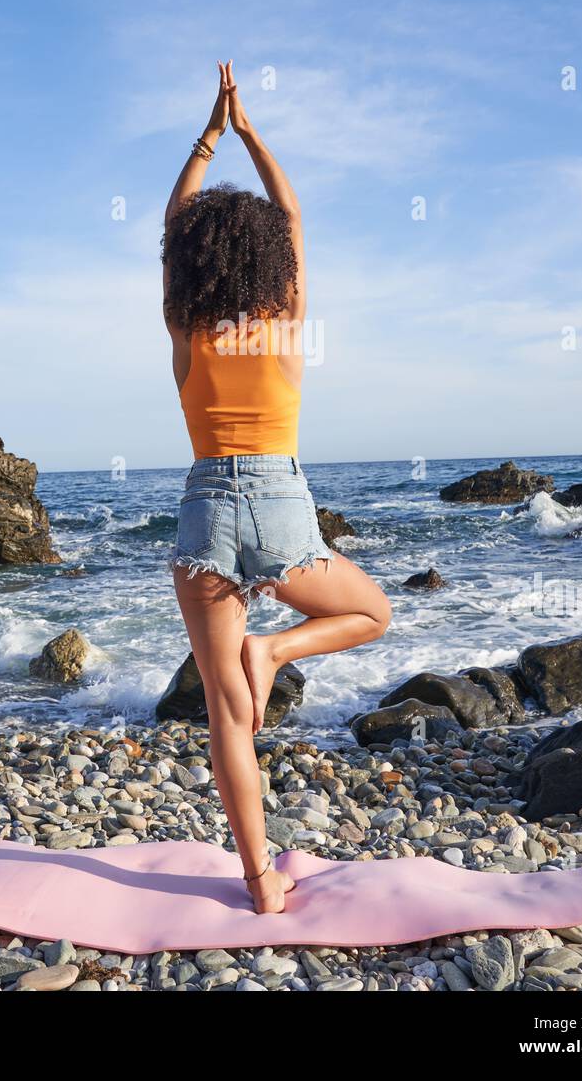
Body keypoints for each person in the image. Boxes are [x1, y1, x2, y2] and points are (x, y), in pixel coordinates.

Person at [161, 61, 392, 914]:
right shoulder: (286, 320)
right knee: (370, 612)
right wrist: (250, 132)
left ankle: (260, 883)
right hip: (280, 502)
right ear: (268, 261)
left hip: (201, 510)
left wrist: (206, 139)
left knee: (227, 712)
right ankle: (278, 649)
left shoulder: (185, 327)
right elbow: (289, 216)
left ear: (186, 265)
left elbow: (176, 220)